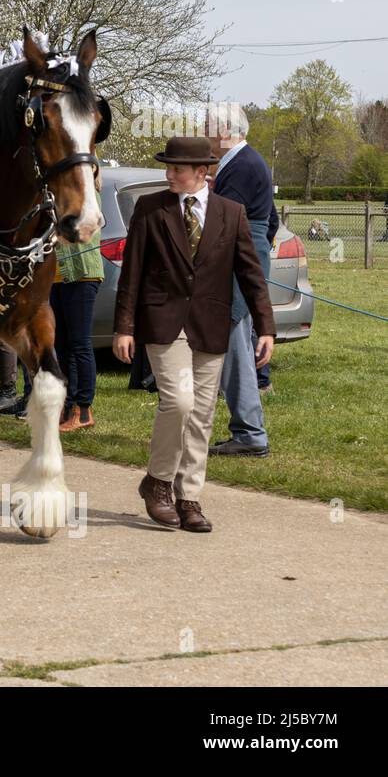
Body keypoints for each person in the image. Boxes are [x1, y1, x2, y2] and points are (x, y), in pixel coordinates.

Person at [113, 135, 275, 534]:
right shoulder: (150, 209)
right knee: (180, 402)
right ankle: (159, 481)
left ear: (202, 172)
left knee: (202, 415)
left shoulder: (231, 213)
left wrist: (265, 327)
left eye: (177, 169)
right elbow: (131, 272)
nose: (169, 174)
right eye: (167, 167)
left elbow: (251, 275)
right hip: (163, 322)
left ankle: (188, 498)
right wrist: (123, 327)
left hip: (210, 324)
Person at [206, 104, 277, 455]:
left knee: (235, 342)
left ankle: (250, 434)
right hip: (248, 256)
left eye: (207, 128)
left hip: (239, 261)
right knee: (239, 344)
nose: (204, 135)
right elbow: (272, 221)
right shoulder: (247, 161)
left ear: (224, 130)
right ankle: (247, 430)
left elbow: (223, 216)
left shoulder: (243, 164)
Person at [51, 212, 104, 431]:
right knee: (62, 346)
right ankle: (68, 405)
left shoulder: (86, 192)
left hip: (82, 274)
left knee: (80, 343)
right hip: (57, 276)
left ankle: (83, 410)